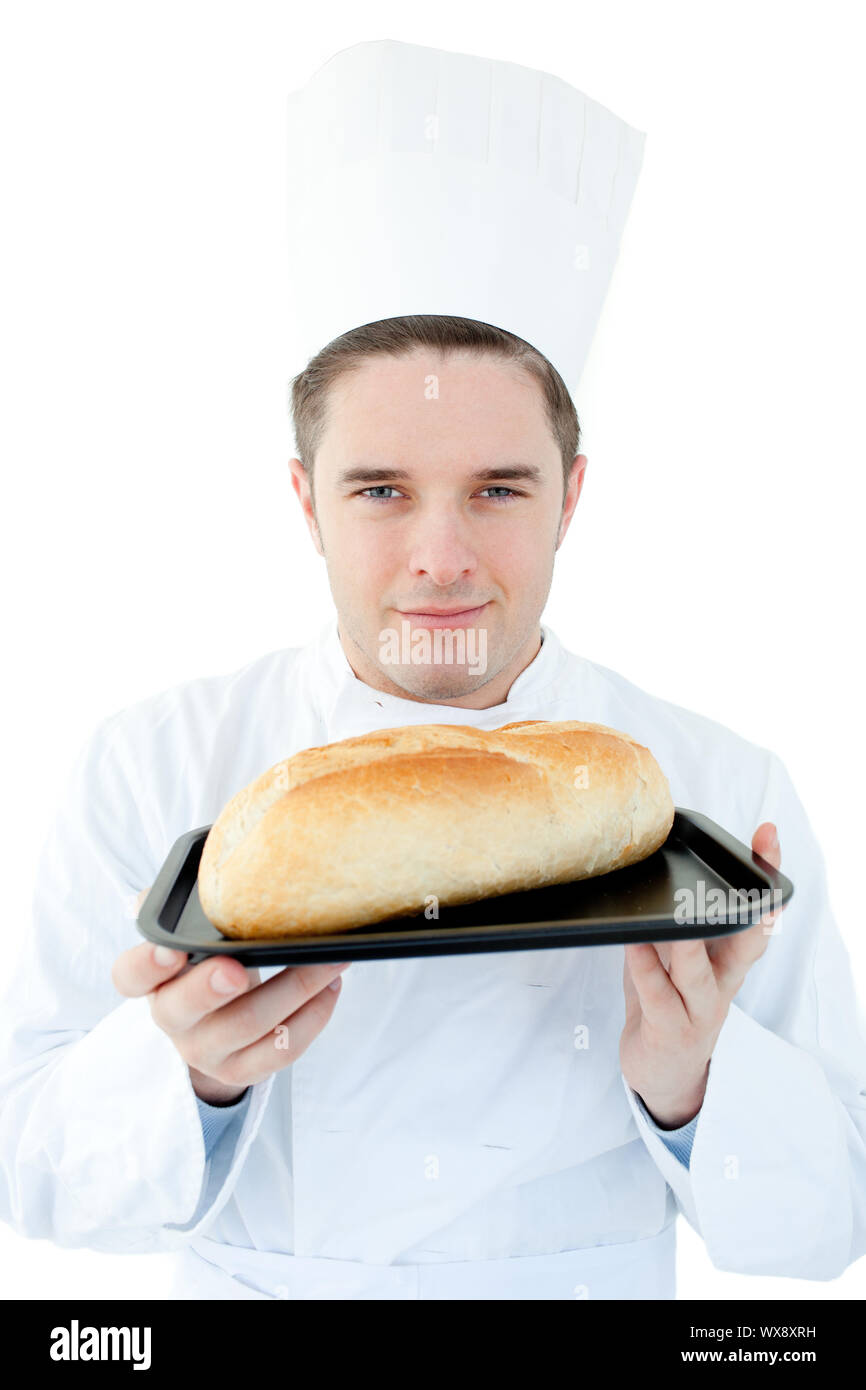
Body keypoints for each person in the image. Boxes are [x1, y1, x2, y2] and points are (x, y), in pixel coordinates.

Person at [1, 314, 865, 1300]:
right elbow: (27, 1172)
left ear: (570, 499)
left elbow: (836, 1212)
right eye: (379, 491)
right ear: (306, 503)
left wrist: (697, 1088)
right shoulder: (151, 764)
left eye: (498, 489)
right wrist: (189, 1077)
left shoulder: (712, 783)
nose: (440, 557)